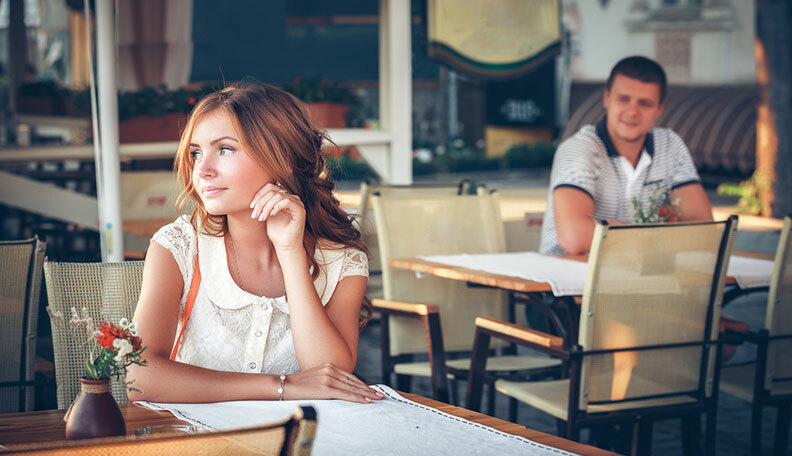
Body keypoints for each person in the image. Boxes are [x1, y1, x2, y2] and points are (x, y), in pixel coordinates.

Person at [127, 83, 383, 404]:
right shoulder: (177, 247)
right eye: (196, 153)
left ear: (282, 158)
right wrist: (281, 386)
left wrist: (290, 252)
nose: (202, 170)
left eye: (224, 150)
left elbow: (328, 375)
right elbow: (137, 375)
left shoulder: (342, 259)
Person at [539, 56, 713, 255]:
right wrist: (657, 238)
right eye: (624, 99)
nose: (632, 112)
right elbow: (575, 237)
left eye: (645, 103)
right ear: (607, 98)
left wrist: (615, 233)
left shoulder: (670, 146)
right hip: (569, 279)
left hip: (637, 277)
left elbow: (703, 229)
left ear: (660, 108)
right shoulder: (581, 148)